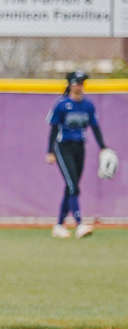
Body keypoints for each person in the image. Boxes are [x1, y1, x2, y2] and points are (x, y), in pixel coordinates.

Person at [45, 70, 110, 239]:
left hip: (80, 147)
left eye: (82, 82)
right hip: (63, 147)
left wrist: (103, 147)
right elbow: (54, 128)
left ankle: (59, 226)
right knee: (73, 186)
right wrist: (50, 151)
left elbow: (95, 127)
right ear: (70, 84)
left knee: (71, 187)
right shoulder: (62, 104)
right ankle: (79, 224)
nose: (80, 85)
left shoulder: (87, 105)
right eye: (77, 82)